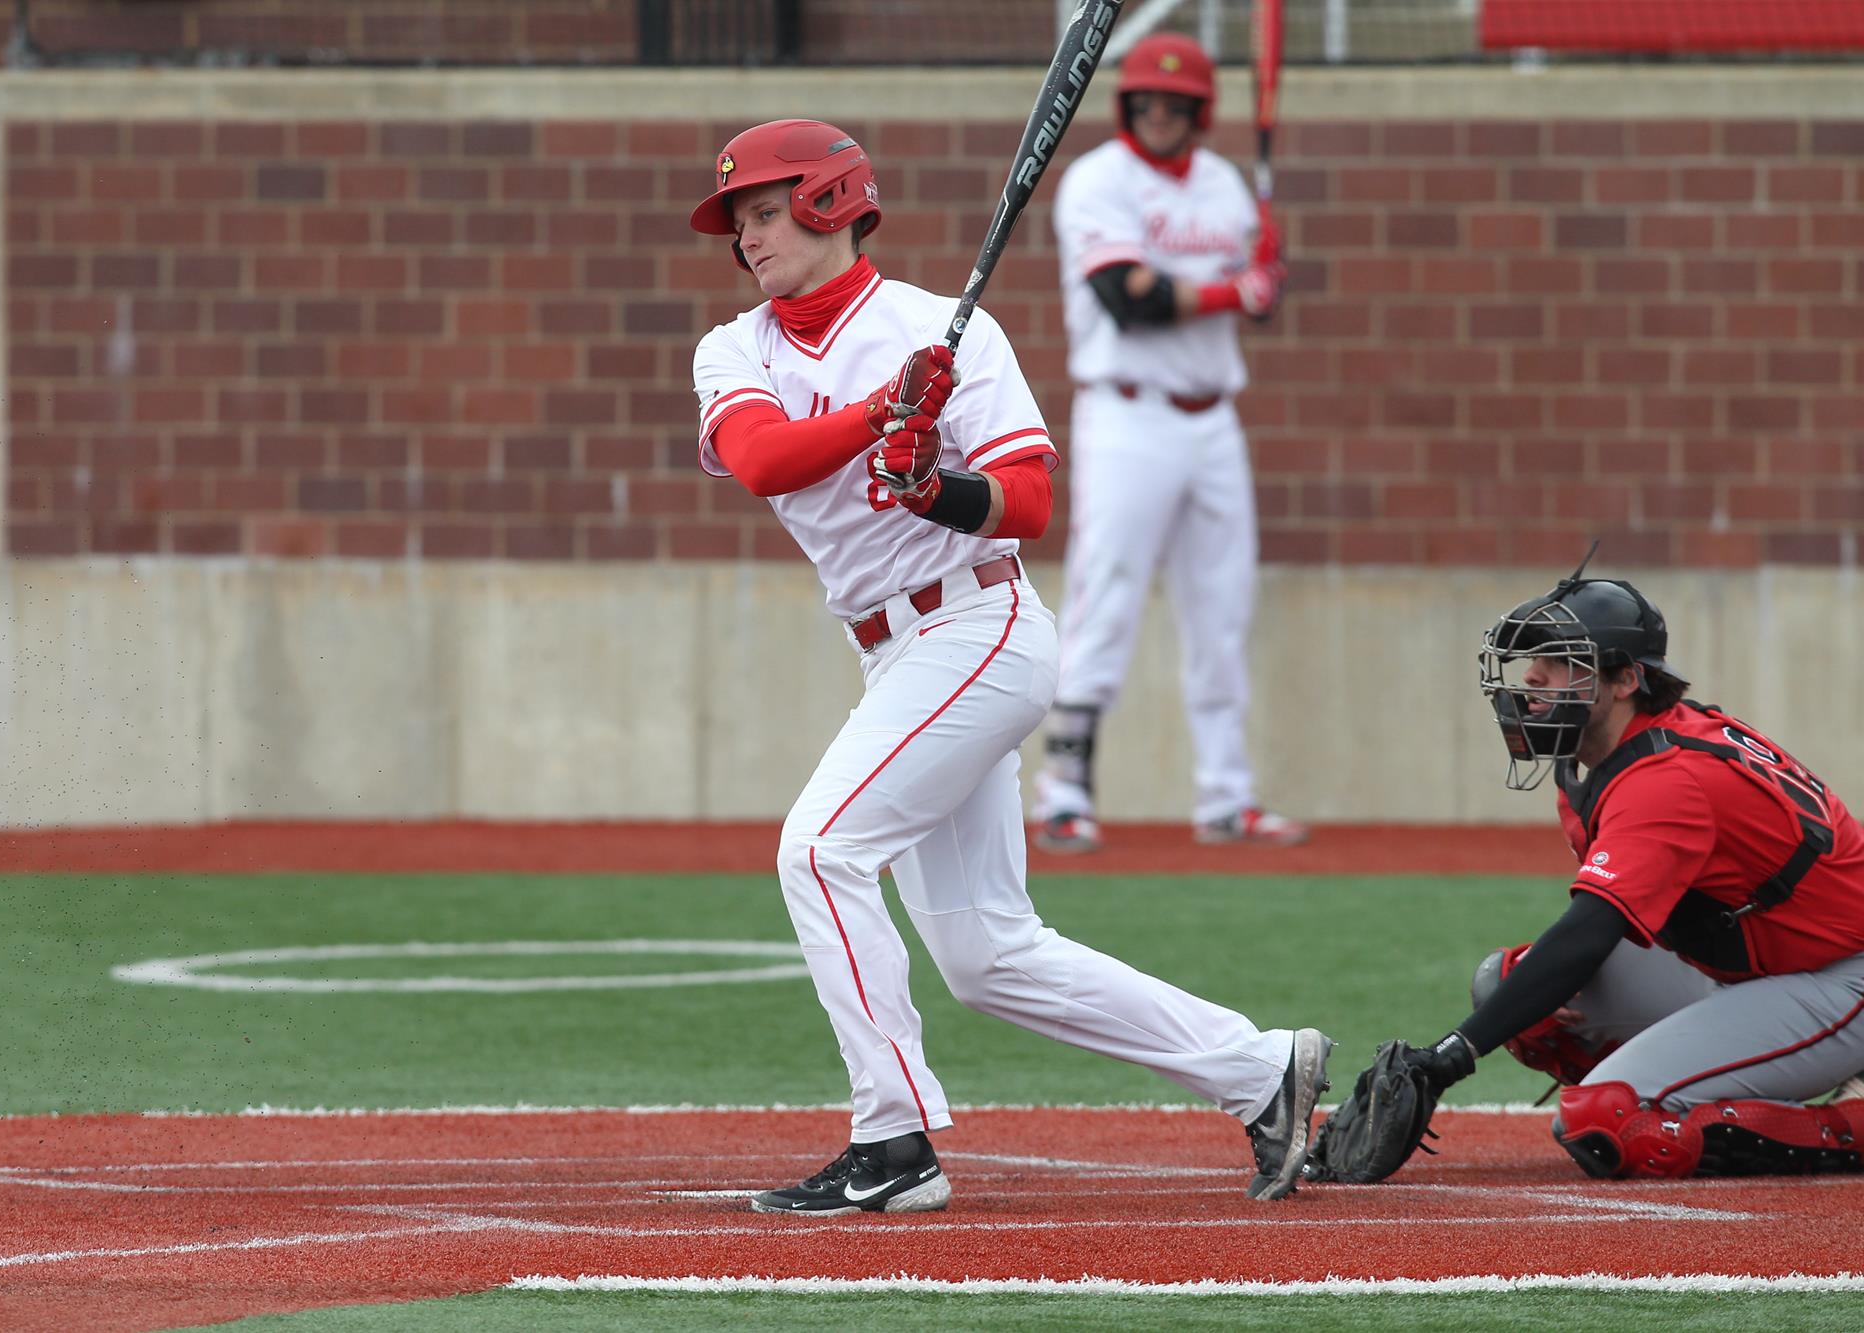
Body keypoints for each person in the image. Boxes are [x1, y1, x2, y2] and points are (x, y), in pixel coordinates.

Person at [687, 118, 1329, 1214]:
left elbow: (1026, 501)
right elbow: (759, 459)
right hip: (891, 654)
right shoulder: (732, 348)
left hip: (977, 627)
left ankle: (891, 1143)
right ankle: (1260, 1070)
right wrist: (878, 416)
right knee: (986, 954)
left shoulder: (943, 328)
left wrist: (932, 487)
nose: (747, 237)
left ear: (832, 200)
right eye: (737, 221)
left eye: (762, 210)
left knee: (820, 851)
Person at [1379, 556, 1864, 1178]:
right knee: (1512, 988)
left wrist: (1449, 1056)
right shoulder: (1600, 758)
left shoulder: (1665, 777)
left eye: (1561, 662)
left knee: (1608, 1122)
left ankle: (1845, 1127)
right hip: (1760, 969)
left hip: (1837, 980)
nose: (1532, 678)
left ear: (1626, 679)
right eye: (1534, 660)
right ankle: (1693, 1081)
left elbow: (1592, 930)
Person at [1033, 31, 1304, 854]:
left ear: (1199, 112)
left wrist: (1264, 280)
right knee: (1105, 594)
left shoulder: (1225, 186)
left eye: (1176, 104)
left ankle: (1226, 796)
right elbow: (1129, 297)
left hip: (1213, 415)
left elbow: (1249, 291)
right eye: (1147, 100)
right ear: (1127, 105)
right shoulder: (1098, 182)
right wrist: (1236, 288)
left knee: (1223, 609)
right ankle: (1063, 790)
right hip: (1125, 412)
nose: (1160, 113)